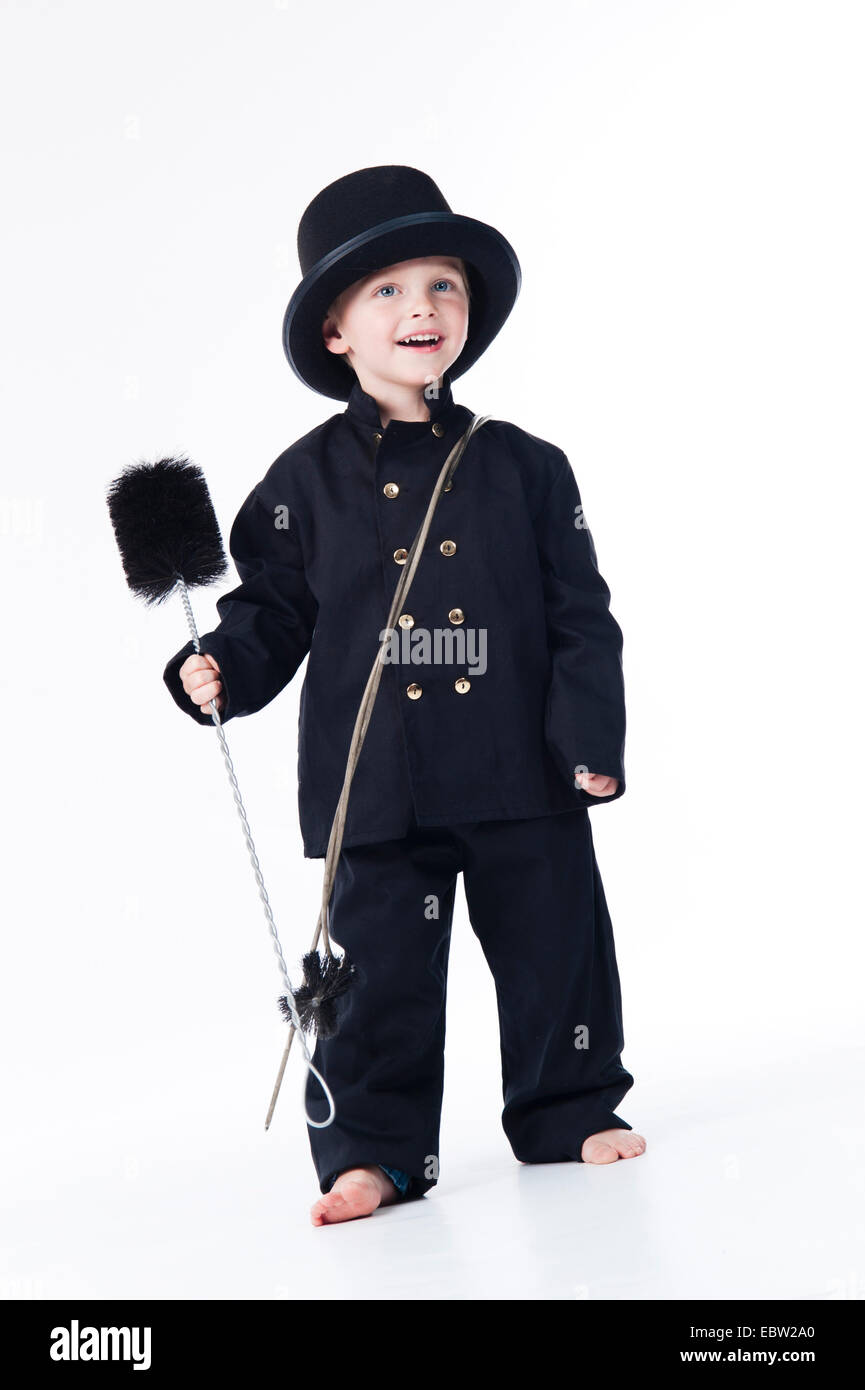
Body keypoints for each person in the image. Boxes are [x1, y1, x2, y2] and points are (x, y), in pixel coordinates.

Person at [163, 165, 646, 1227]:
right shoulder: (299, 485)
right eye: (385, 291)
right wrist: (220, 670)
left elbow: (580, 615)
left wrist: (587, 738)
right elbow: (271, 613)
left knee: (555, 946)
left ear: (468, 314)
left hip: (524, 767)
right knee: (373, 982)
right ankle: (373, 1152)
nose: (420, 308)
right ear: (334, 330)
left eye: (441, 286)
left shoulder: (528, 468)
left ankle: (568, 1108)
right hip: (372, 785)